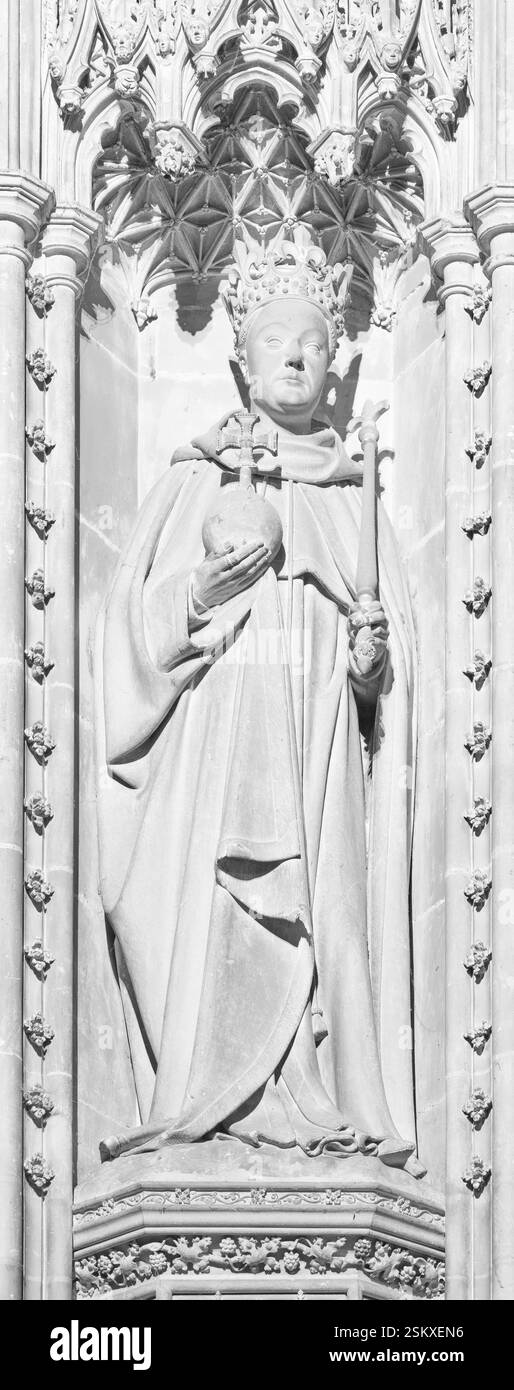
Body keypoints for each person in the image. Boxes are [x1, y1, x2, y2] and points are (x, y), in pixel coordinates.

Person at [95, 228, 424, 1176]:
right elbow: (130, 638)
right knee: (217, 922)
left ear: (335, 363)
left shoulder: (351, 498)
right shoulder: (194, 480)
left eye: (313, 342)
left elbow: (387, 708)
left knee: (321, 925)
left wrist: (368, 666)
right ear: (239, 362)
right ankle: (215, 1095)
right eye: (275, 339)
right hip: (213, 761)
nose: (294, 354)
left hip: (317, 763)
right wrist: (203, 587)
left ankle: (310, 1093)